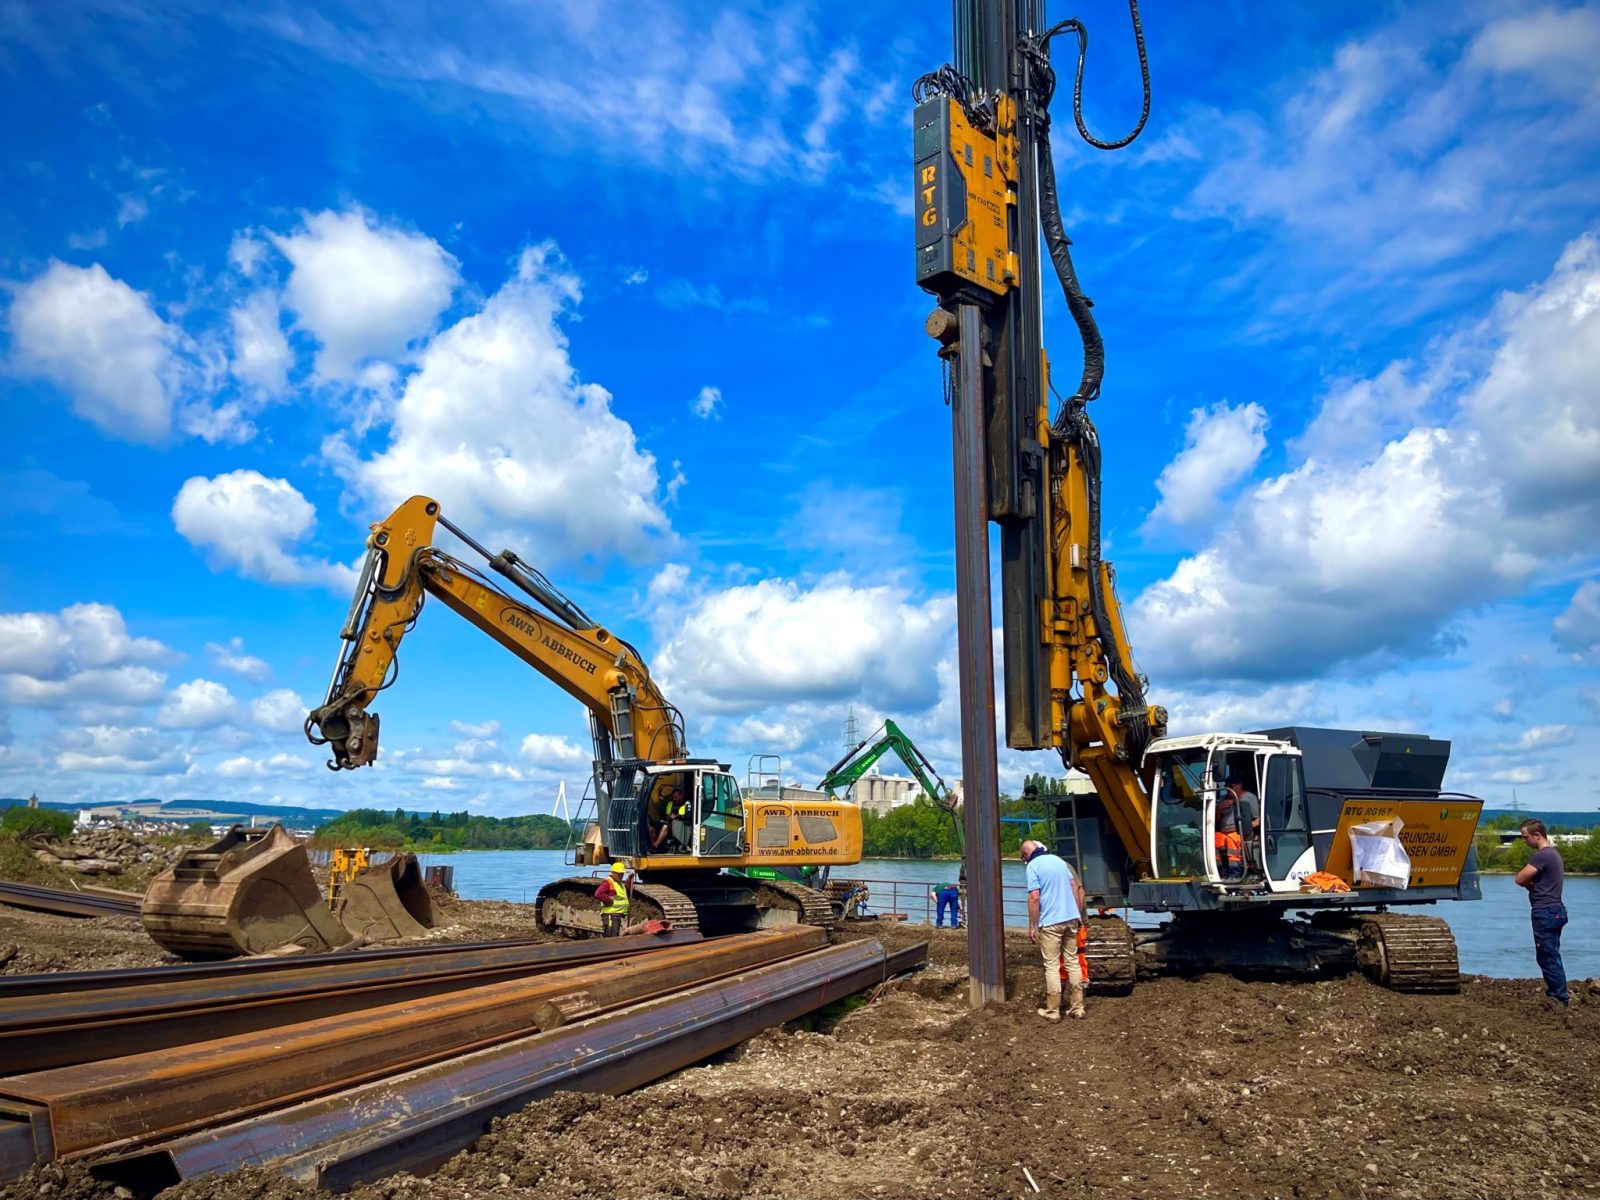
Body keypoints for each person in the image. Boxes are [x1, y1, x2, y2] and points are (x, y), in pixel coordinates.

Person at [1022, 839, 1087, 1021]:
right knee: (1073, 962)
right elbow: (1074, 886)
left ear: (1027, 855)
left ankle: (1053, 1011)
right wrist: (1077, 913)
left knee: (1051, 966)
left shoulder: (1033, 866)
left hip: (1051, 922)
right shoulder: (1058, 861)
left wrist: (1032, 925)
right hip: (1071, 918)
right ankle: (1077, 1008)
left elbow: (1034, 897)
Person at [1514, 819, 1569, 1007]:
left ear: (1537, 835)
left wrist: (1526, 882)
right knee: (1552, 952)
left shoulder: (1542, 856)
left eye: (1525, 836)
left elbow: (1519, 878)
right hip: (1556, 909)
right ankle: (1559, 993)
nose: (1523, 840)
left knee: (1547, 955)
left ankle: (1558, 997)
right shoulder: (1554, 855)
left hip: (1545, 911)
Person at [1215, 775, 1260, 880]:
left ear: (1239, 785)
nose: (1228, 789)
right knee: (1213, 840)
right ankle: (1221, 872)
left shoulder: (1249, 798)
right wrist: (1220, 808)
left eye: (1231, 786)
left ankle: (1235, 874)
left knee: (1232, 840)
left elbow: (1259, 818)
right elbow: (1217, 820)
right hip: (1223, 832)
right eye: (1226, 786)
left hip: (1242, 831)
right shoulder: (1223, 800)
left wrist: (1250, 825)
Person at [596, 861, 633, 936]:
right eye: (618, 874)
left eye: (622, 874)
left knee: (614, 937)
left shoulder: (619, 883)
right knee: (611, 939)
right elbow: (598, 894)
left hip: (617, 916)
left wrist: (629, 880)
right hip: (611, 915)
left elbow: (624, 892)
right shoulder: (608, 882)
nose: (620, 876)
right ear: (613, 873)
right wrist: (610, 899)